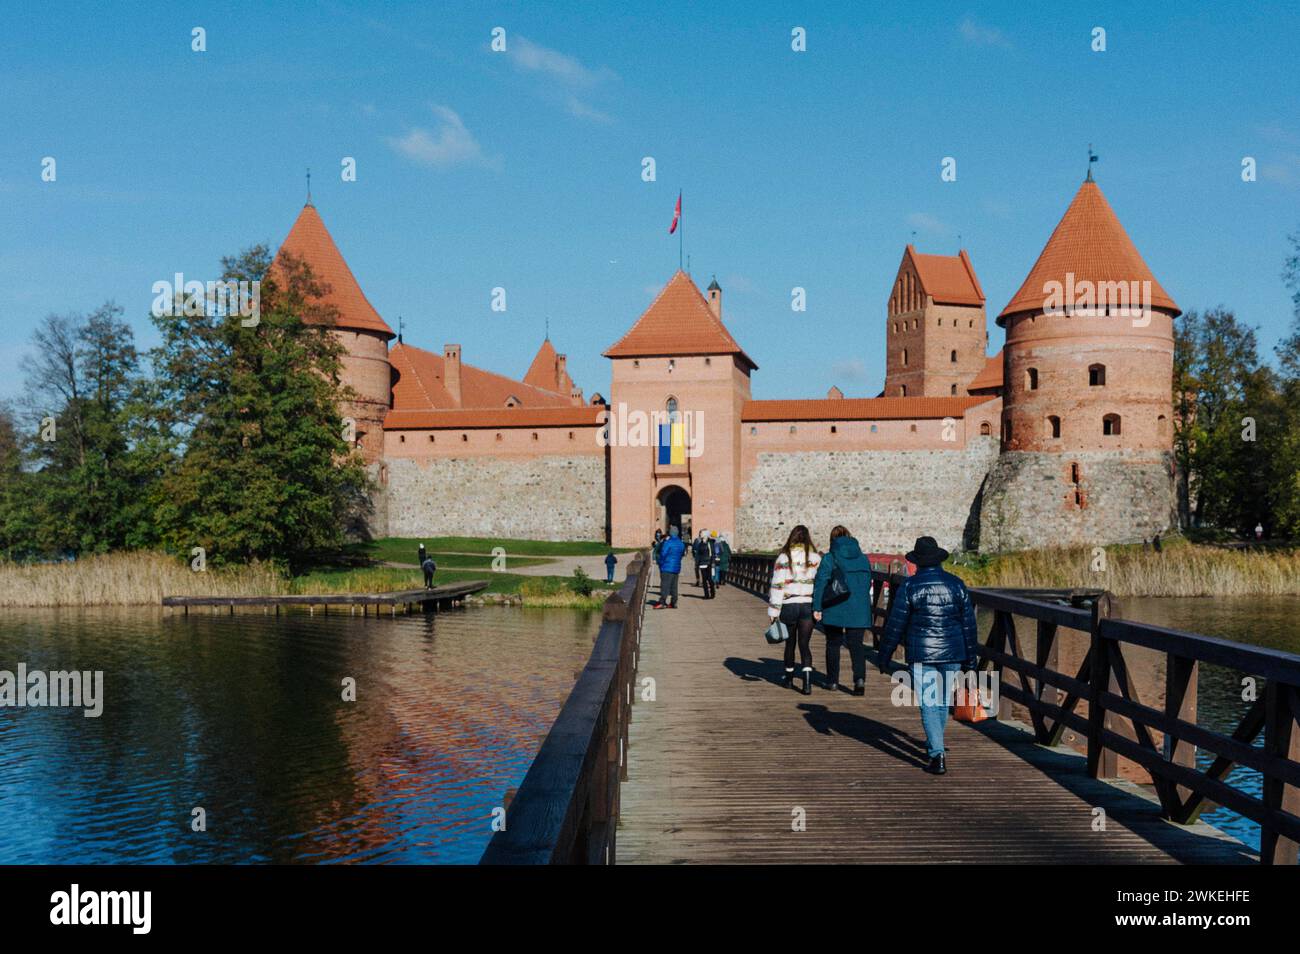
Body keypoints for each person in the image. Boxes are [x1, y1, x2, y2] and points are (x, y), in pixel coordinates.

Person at [878, 536, 978, 776]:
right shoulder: (956, 584)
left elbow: (896, 624)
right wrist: (971, 660)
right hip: (953, 652)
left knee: (929, 703)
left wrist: (885, 654)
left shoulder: (910, 586)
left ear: (918, 562)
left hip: (922, 652)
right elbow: (969, 625)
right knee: (941, 701)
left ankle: (937, 754)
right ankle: (937, 745)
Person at [813, 525, 873, 695]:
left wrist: (817, 607)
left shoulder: (830, 558)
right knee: (856, 645)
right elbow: (868, 582)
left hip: (834, 606)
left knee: (833, 644)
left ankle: (832, 681)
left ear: (832, 540)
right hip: (859, 609)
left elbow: (820, 583)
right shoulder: (863, 558)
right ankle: (859, 680)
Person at [768, 525, 821, 694]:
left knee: (789, 644)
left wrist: (773, 612)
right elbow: (819, 584)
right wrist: (818, 607)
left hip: (789, 605)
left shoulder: (784, 558)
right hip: (807, 604)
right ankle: (806, 684)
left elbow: (777, 586)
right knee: (804, 644)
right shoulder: (815, 558)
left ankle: (789, 679)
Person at [653, 526, 686, 609]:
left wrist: (660, 563)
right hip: (676, 567)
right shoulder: (681, 543)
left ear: (670, 533)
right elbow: (682, 554)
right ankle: (674, 602)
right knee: (674, 586)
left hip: (667, 567)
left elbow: (663, 554)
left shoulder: (668, 542)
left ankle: (662, 602)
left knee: (665, 585)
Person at [699, 532, 717, 599]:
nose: (700, 534)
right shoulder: (700, 543)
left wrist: (712, 562)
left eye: (701, 533)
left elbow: (713, 553)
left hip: (709, 563)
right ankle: (706, 595)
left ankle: (712, 593)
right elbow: (699, 553)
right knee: (704, 580)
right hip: (702, 563)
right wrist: (698, 562)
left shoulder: (710, 543)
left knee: (709, 579)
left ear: (705, 535)